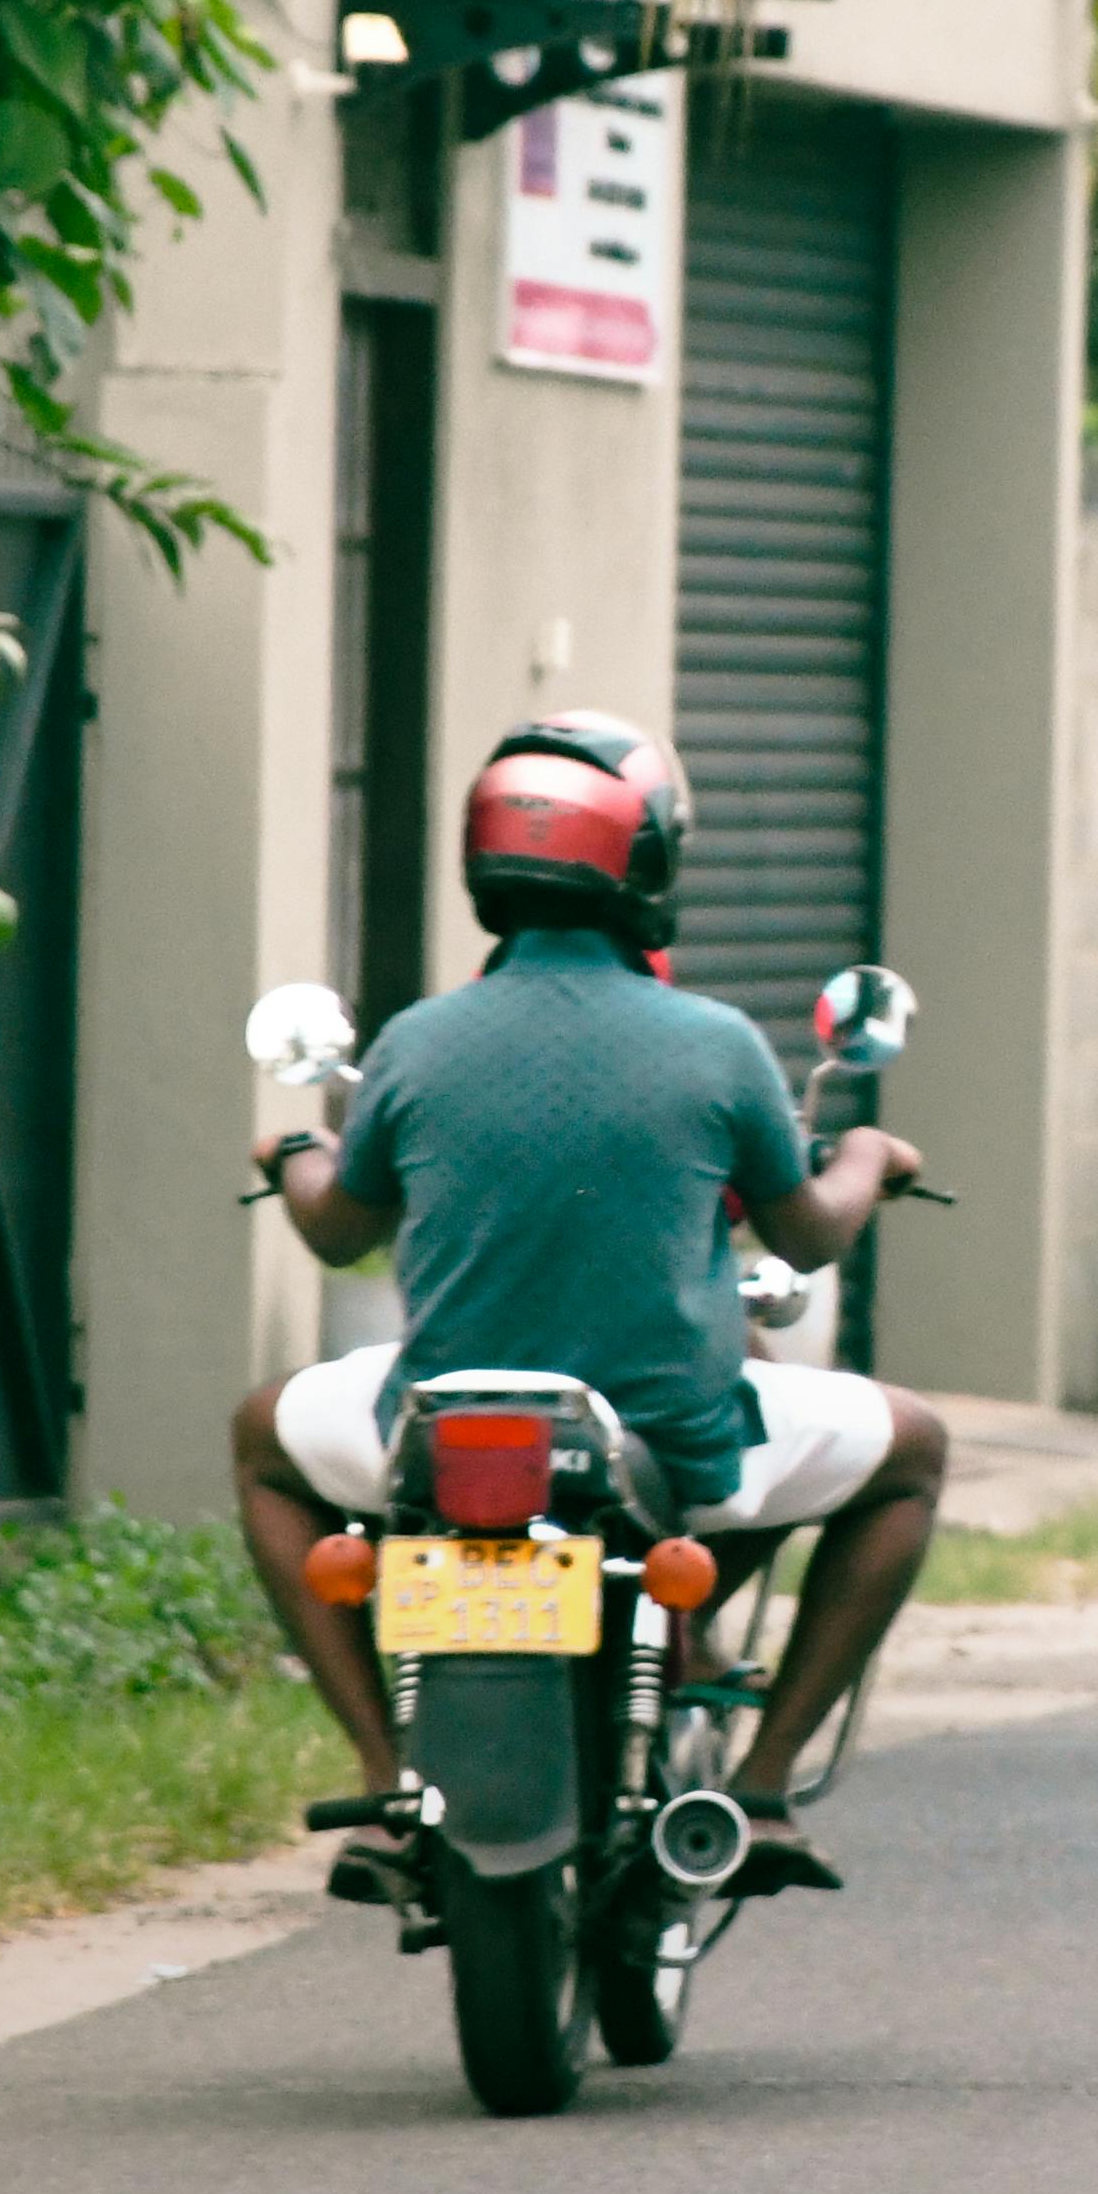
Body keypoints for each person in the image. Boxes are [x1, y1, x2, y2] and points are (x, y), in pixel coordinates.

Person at [232, 710, 942, 1903]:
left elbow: (339, 1228)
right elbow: (808, 1234)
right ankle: (763, 1786)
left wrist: (299, 1149)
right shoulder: (717, 1044)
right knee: (912, 1450)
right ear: (646, 863)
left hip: (439, 1432)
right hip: (661, 1438)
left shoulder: (413, 1043)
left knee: (263, 1437)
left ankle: (386, 1778)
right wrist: (869, 1154)